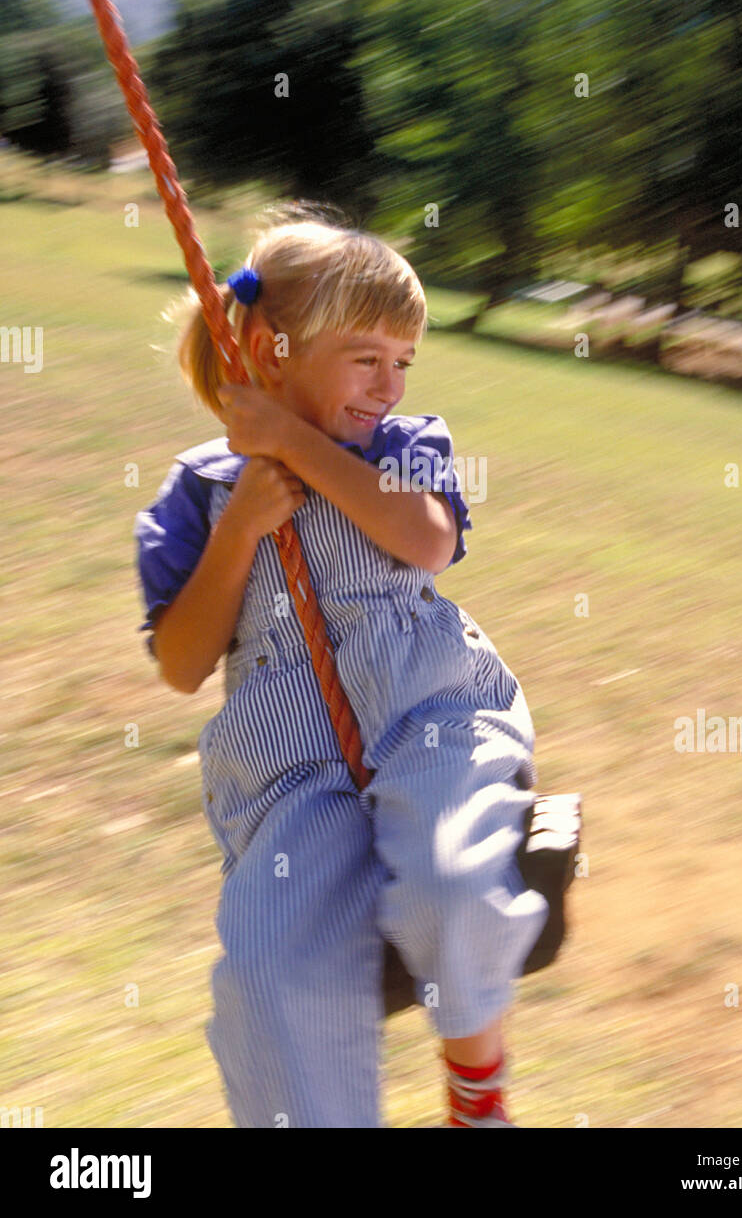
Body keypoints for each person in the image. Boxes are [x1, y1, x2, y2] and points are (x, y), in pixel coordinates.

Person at [133, 204, 548, 1128]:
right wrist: (242, 523)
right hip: (294, 776)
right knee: (271, 971)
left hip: (431, 722)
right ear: (271, 349)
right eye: (367, 355)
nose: (389, 383)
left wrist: (296, 446)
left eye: (403, 361)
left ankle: (477, 1091)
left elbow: (426, 540)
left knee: (449, 876)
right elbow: (182, 661)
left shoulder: (402, 450)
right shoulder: (201, 492)